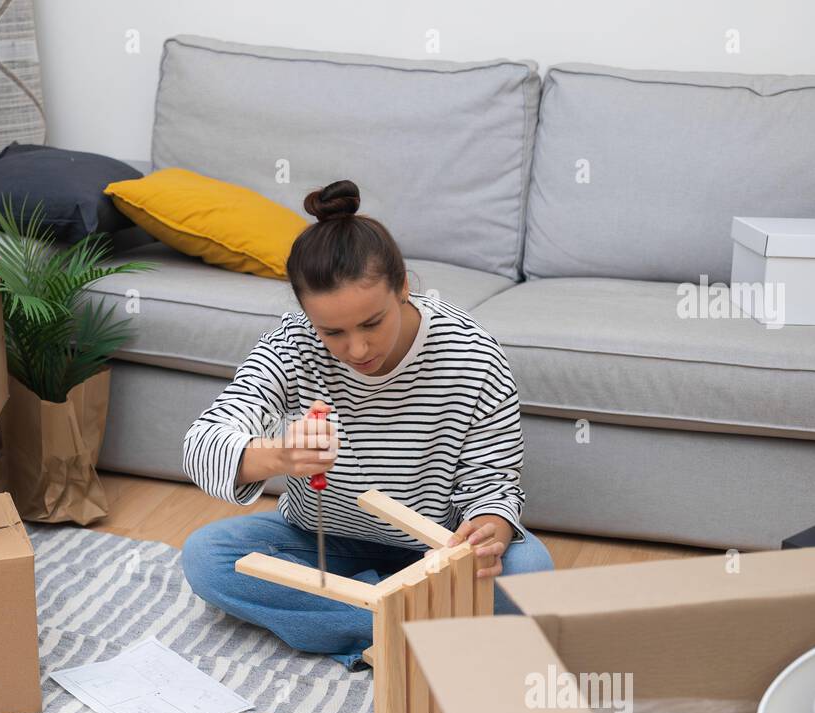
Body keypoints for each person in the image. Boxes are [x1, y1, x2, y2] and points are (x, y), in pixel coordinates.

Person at [180, 179, 554, 668]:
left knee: (530, 574)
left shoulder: (471, 354)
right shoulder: (292, 346)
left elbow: (493, 486)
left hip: (434, 556)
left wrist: (488, 533)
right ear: (307, 317)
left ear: (403, 286)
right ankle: (420, 627)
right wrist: (280, 456)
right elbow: (201, 443)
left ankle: (363, 617)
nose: (357, 350)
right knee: (206, 557)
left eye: (372, 323)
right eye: (332, 332)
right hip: (321, 541)